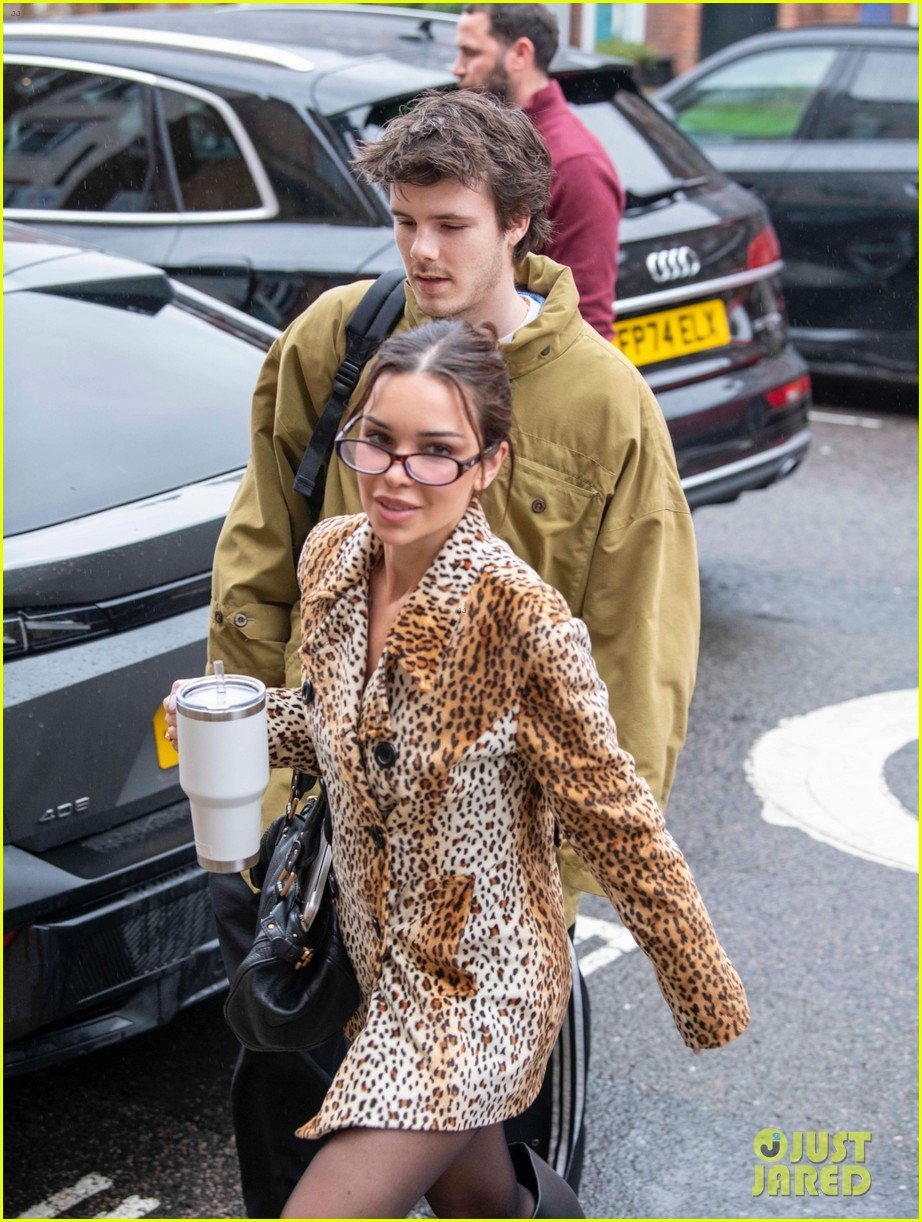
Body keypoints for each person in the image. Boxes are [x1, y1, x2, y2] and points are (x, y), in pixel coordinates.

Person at [206, 89, 700, 1216]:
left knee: (456, 1143)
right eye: (403, 220)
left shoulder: (605, 404)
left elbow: (640, 659)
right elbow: (258, 561)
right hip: (328, 837)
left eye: (451, 225)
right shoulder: (335, 340)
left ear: (518, 222)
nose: (422, 251)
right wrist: (259, 787)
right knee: (309, 1117)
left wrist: (564, 885)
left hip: (489, 878)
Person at [167, 319, 748, 1219]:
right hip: (377, 964)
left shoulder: (520, 621)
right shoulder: (333, 560)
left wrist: (701, 991)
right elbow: (339, 727)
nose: (397, 475)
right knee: (481, 1200)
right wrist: (241, 722)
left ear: (488, 465)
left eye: (437, 452)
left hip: (481, 984)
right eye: (378, 441)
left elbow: (615, 817)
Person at [451, 4, 624, 339]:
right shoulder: (490, 139)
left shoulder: (576, 164)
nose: (457, 68)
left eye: (471, 53)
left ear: (520, 54)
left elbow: (587, 323)